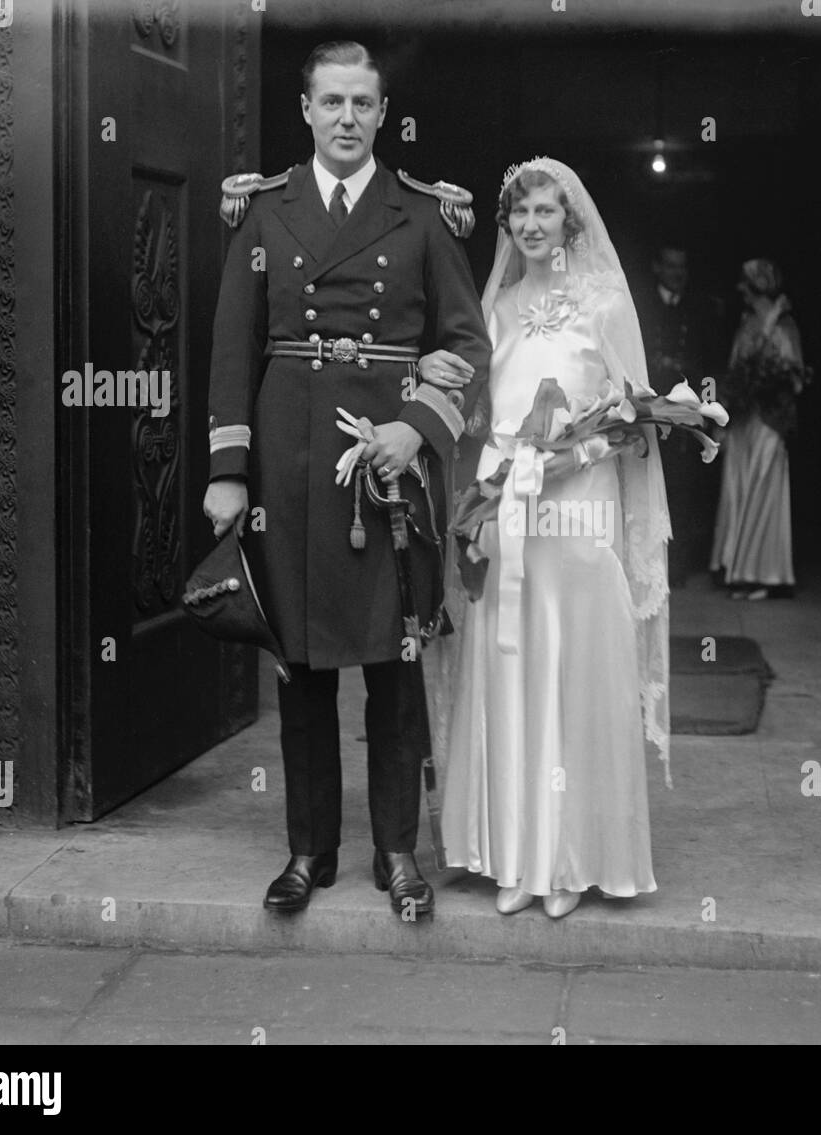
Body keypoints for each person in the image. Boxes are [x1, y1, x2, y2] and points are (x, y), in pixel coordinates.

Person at [202, 41, 491, 917]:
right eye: (331, 103)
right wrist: (228, 470)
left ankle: (399, 851)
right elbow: (230, 347)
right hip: (292, 468)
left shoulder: (423, 215)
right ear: (305, 110)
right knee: (303, 668)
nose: (347, 120)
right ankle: (307, 850)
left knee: (394, 670)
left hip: (389, 479)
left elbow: (468, 345)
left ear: (383, 110)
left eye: (362, 104)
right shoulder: (266, 211)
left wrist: (415, 428)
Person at [420, 158, 671, 919]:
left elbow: (638, 420)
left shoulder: (603, 303)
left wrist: (576, 454)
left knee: (574, 670)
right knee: (513, 664)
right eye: (520, 213)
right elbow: (470, 411)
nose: (532, 225)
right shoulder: (493, 309)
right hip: (510, 508)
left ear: (571, 222)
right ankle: (514, 853)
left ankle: (570, 859)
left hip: (581, 511)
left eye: (546, 212)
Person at [711, 258, 808, 599]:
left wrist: (767, 379)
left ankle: (763, 572)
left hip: (769, 418)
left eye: (745, 284)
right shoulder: (746, 323)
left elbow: (794, 378)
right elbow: (736, 369)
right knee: (739, 487)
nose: (740, 290)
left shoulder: (784, 325)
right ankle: (736, 567)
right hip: (743, 417)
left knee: (763, 490)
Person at [639, 245, 724, 586]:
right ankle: (647, 562)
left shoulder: (699, 310)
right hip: (650, 411)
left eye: (682, 267)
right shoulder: (642, 307)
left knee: (683, 489)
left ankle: (676, 569)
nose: (678, 273)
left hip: (686, 413)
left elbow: (709, 368)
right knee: (646, 481)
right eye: (671, 266)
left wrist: (708, 410)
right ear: (657, 267)